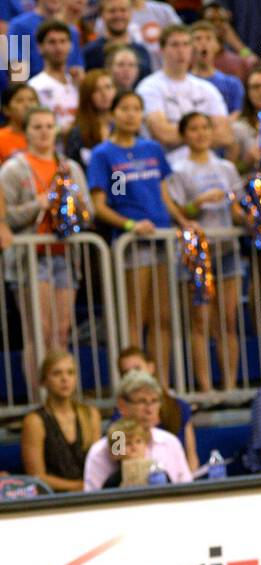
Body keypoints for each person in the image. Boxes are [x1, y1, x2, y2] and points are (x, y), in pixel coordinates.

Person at [87, 89, 187, 382]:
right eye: (125, 108)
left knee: (163, 316)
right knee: (135, 317)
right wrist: (130, 226)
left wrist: (182, 220)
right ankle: (133, 382)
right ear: (114, 113)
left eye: (136, 108)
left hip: (162, 238)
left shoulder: (152, 149)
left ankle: (162, 383)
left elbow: (164, 194)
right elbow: (98, 206)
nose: (131, 114)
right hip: (132, 244)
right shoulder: (103, 154)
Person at [0, 105, 91, 392]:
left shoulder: (70, 167)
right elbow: (5, 215)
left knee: (61, 332)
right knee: (38, 332)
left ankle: (63, 393)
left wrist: (73, 211)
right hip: (30, 258)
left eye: (49, 126)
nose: (44, 132)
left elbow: (88, 212)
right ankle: (40, 397)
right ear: (26, 132)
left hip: (64, 256)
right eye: (37, 127)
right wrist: (36, 205)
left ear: (57, 130)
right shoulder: (14, 168)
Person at [165, 111, 244, 394]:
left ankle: (232, 387)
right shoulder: (178, 169)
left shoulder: (226, 168)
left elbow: (237, 210)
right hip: (197, 253)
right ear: (185, 135)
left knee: (229, 320)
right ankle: (206, 387)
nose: (200, 133)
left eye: (205, 128)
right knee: (201, 321)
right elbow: (179, 213)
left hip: (226, 249)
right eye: (194, 129)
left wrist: (251, 218)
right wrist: (197, 202)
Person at [83, 371, 193, 489]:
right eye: (142, 401)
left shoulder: (169, 442)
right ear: (122, 405)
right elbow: (96, 496)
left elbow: (186, 488)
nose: (150, 409)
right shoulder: (114, 441)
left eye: (154, 401)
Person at [135, 24, 233, 156]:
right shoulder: (149, 87)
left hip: (208, 161)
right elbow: (163, 134)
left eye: (186, 44)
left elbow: (225, 135)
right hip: (167, 161)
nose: (181, 50)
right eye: (175, 45)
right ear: (162, 49)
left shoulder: (207, 88)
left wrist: (180, 133)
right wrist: (205, 134)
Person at [21, 350, 102, 492]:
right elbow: (36, 476)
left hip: (91, 493)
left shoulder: (91, 414)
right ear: (44, 381)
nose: (65, 379)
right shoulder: (34, 421)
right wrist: (79, 487)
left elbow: (98, 462)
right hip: (53, 499)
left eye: (70, 373)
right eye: (57, 373)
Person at [115, 344, 198, 471]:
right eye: (126, 372)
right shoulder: (118, 419)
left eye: (137, 369)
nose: (133, 375)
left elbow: (191, 457)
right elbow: (117, 459)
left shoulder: (178, 409)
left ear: (150, 368)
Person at [28, 20, 79, 138]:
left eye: (63, 41)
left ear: (71, 45)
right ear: (40, 47)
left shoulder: (78, 83)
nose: (58, 47)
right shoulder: (34, 86)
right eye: (52, 42)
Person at [63, 68, 115, 167]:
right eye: (97, 90)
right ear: (87, 95)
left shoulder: (120, 125)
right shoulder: (77, 133)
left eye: (108, 87)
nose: (104, 94)